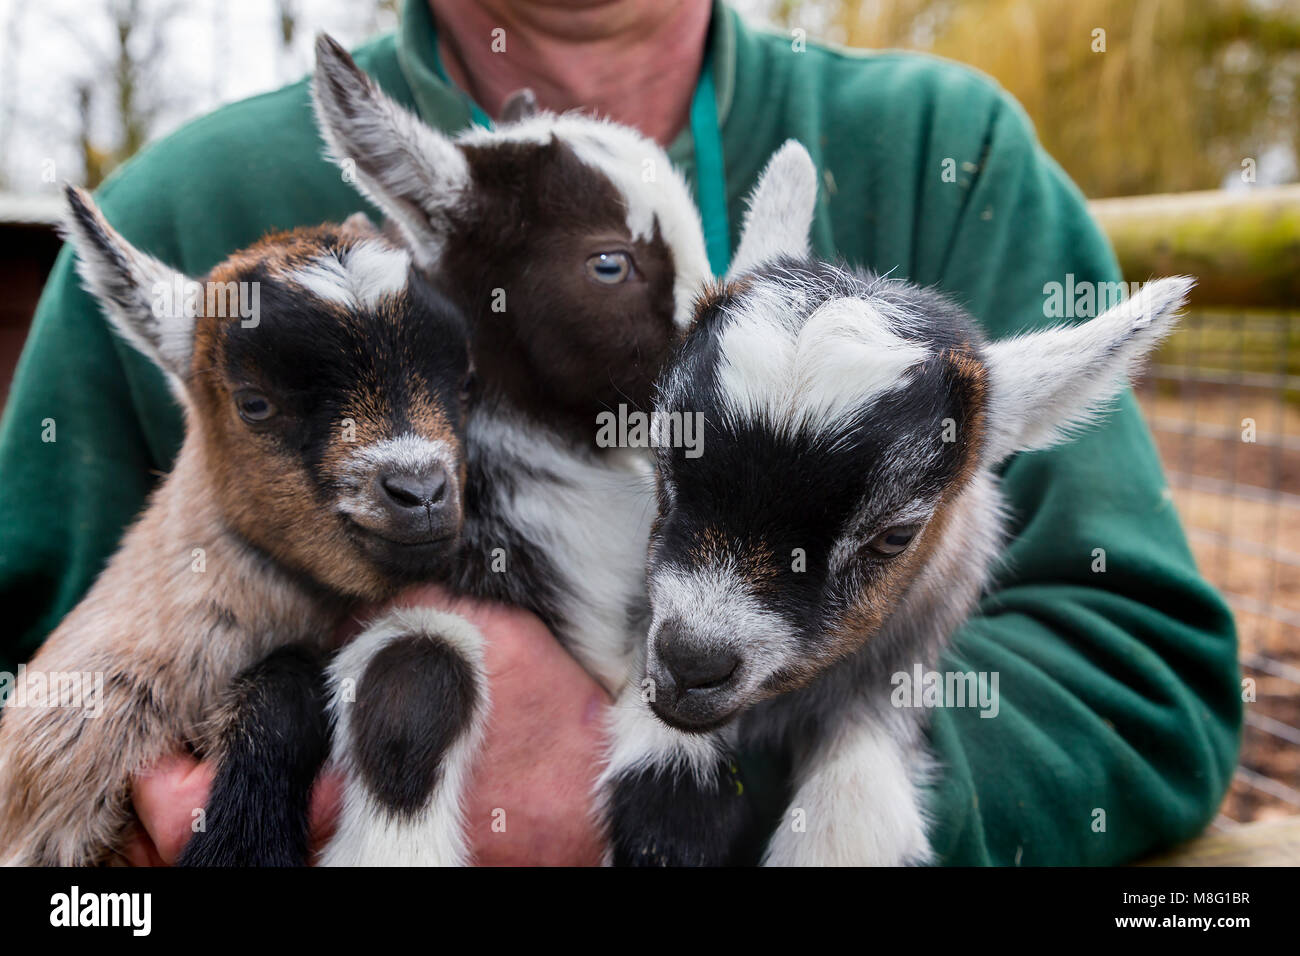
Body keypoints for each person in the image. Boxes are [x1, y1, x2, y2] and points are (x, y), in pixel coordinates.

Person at [0, 0, 1240, 865]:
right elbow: (39, 693)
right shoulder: (182, 211)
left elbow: (1136, 664)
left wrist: (731, 796)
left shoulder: (946, 155)